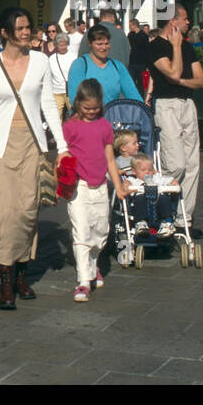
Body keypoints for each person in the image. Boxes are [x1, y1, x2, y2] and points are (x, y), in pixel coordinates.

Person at [0, 7, 68, 311]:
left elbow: (47, 104)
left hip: (33, 145)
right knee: (5, 215)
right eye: (19, 28)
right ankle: (6, 279)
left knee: (28, 212)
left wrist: (62, 146)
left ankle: (22, 271)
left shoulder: (41, 62)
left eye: (28, 28)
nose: (25, 33)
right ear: (5, 33)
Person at [62, 80, 127, 301]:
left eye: (95, 108)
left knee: (100, 232)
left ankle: (92, 265)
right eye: (86, 108)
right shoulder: (69, 126)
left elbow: (110, 158)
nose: (91, 112)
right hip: (78, 186)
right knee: (81, 232)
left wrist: (117, 185)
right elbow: (62, 156)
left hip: (100, 185)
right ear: (77, 103)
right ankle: (83, 280)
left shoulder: (104, 126)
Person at [147, 6, 203, 233]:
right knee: (176, 163)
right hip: (167, 105)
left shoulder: (189, 47)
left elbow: (200, 80)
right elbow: (172, 72)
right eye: (185, 18)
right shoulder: (155, 47)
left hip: (187, 104)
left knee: (192, 164)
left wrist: (181, 82)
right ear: (173, 21)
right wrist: (176, 47)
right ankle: (164, 212)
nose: (188, 22)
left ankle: (184, 218)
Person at [67, 25, 142, 107]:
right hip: (86, 116)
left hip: (112, 116)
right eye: (99, 44)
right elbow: (75, 98)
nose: (104, 47)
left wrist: (143, 110)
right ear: (89, 44)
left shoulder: (117, 66)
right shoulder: (80, 65)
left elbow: (133, 95)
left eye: (107, 44)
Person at [48, 32, 76, 120]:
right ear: (56, 45)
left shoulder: (73, 57)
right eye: (60, 45)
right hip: (56, 91)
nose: (63, 47)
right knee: (56, 116)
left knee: (74, 114)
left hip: (70, 91)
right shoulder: (51, 58)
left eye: (65, 45)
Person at [127, 17, 150, 95]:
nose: (129, 27)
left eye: (130, 25)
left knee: (141, 84)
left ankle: (141, 98)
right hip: (132, 62)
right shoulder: (130, 35)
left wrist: (147, 63)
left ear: (134, 25)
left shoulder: (143, 35)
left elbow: (146, 50)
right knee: (131, 82)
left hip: (141, 63)